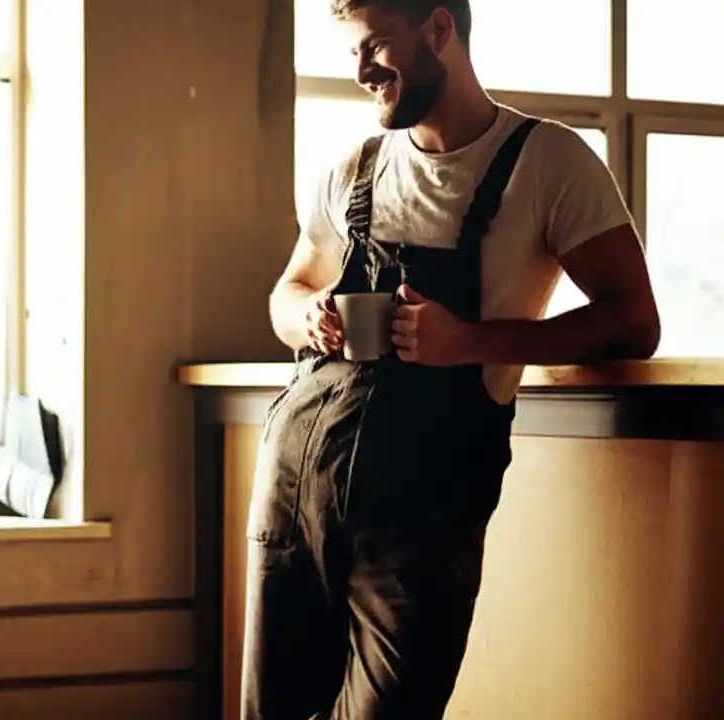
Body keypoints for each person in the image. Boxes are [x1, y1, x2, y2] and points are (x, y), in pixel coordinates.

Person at [243, 1, 660, 718]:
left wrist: (472, 340)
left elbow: (633, 321)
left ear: (439, 29)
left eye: (375, 46)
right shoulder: (355, 165)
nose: (362, 72)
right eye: (351, 54)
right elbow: (289, 288)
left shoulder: (547, 162)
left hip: (423, 517)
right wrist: (306, 317)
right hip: (294, 487)